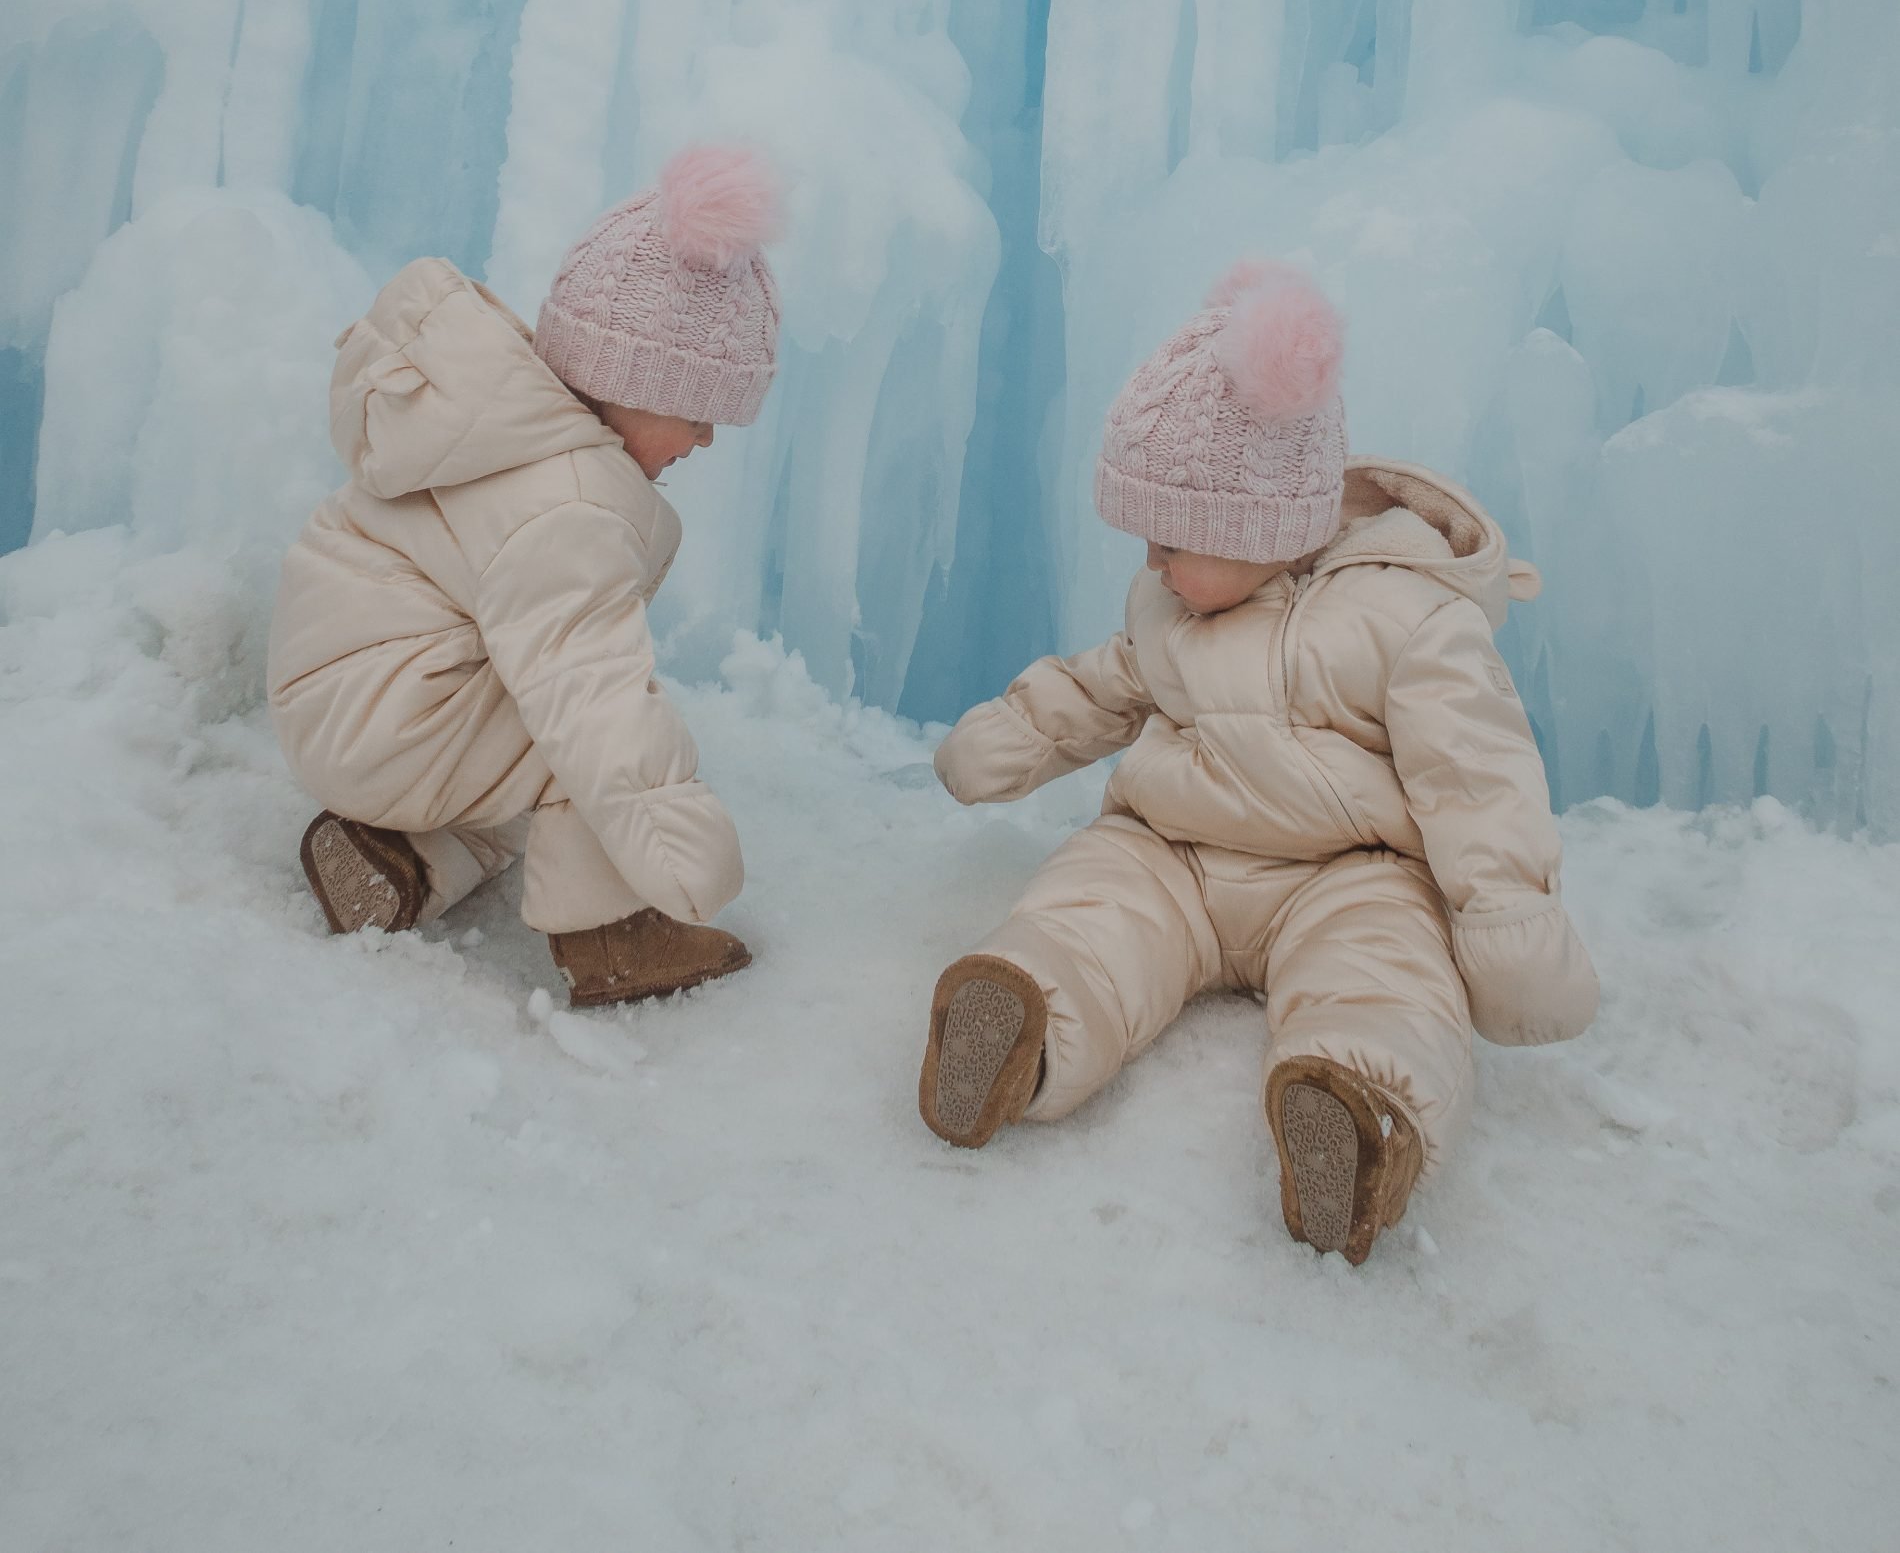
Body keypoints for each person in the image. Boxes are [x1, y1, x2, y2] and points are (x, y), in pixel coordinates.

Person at [918, 262, 1598, 1264]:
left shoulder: (1407, 620)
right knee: (1093, 905)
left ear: (1260, 528)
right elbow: (1105, 685)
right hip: (1173, 850)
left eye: (1171, 538)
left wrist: (1510, 929)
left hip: (1346, 873)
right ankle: (1017, 1022)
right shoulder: (1174, 605)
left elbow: (1476, 782)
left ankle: (1359, 1115)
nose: (1149, 564)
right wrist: (1009, 736)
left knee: (1384, 973)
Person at [269, 145, 781, 1009]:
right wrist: (681, 848)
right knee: (574, 745)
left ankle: (397, 865)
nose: (705, 441)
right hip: (392, 717)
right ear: (627, 383)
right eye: (696, 414)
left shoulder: (497, 424)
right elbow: (591, 698)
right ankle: (616, 938)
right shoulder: (569, 504)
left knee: (520, 754)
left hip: (346, 699)